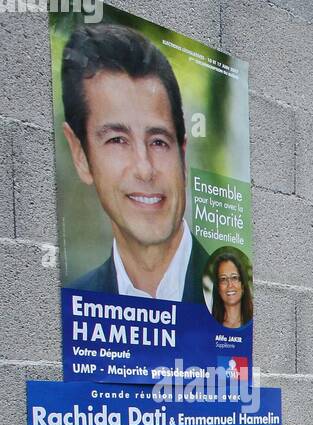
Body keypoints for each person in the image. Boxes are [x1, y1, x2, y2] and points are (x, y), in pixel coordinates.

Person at [60, 22, 210, 302]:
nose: (145, 169)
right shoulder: (76, 303)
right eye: (117, 140)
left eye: (158, 142)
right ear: (80, 155)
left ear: (183, 156)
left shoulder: (236, 302)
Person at [208, 248, 253, 329]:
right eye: (223, 279)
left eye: (234, 277)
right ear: (218, 288)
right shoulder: (209, 326)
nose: (230, 285)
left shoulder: (253, 324)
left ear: (242, 285)